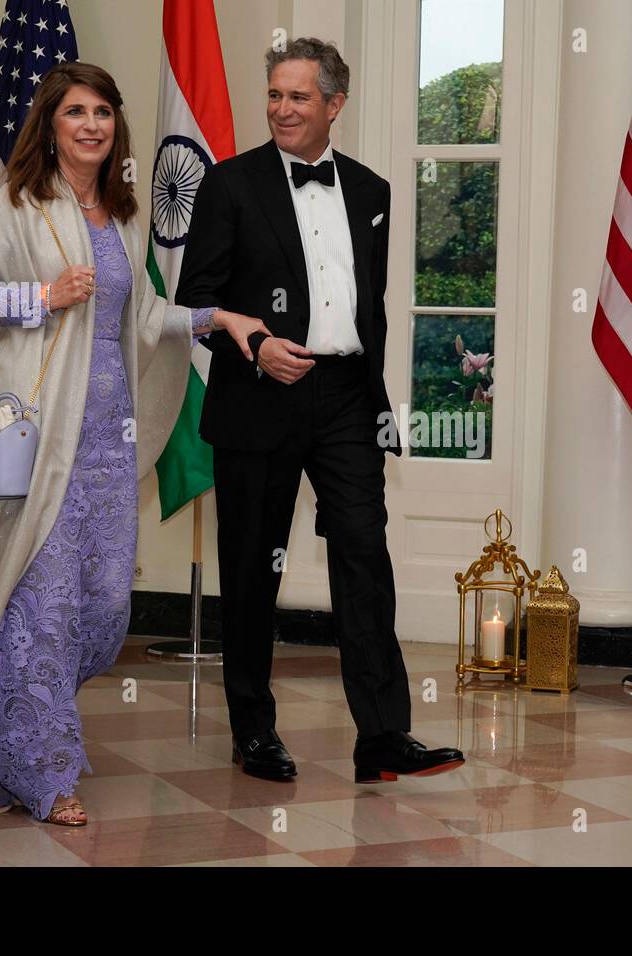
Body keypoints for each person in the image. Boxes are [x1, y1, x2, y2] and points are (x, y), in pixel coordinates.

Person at [0, 62, 268, 825]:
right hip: (43, 438)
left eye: (103, 113)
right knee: (41, 607)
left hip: (109, 449)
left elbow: (146, 316)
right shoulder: (20, 206)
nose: (91, 125)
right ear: (51, 125)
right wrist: (40, 298)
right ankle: (48, 775)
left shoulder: (119, 217)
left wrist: (220, 321)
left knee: (100, 609)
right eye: (75, 112)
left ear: (117, 126)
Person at [176, 38, 464, 784]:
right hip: (258, 393)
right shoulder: (229, 185)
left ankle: (383, 737)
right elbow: (196, 302)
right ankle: (253, 731)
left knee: (364, 556)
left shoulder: (372, 192)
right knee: (250, 567)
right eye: (274, 94)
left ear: (335, 105)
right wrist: (256, 345)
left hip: (344, 400)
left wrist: (371, 394)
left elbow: (371, 305)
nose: (281, 109)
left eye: (298, 97)